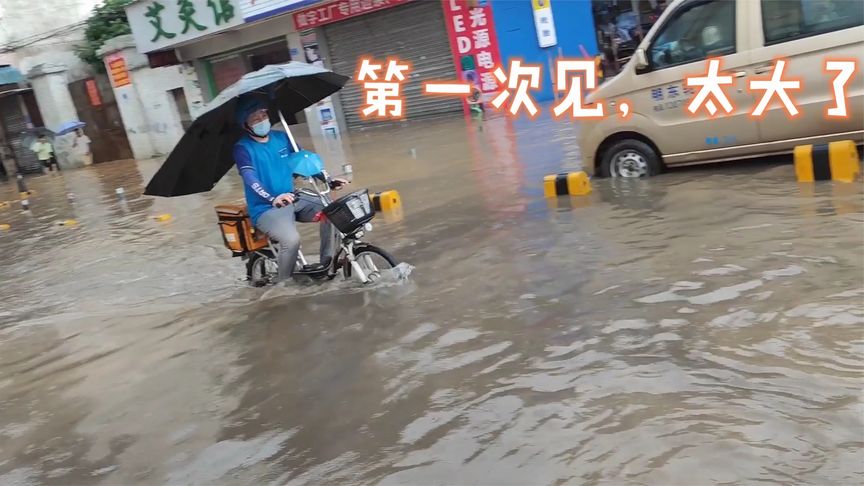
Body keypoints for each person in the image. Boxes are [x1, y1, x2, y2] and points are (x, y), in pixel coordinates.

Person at [233, 97, 346, 283]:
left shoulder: (282, 137)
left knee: (334, 213)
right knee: (291, 241)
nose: (262, 121)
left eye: (263, 116)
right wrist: (272, 198)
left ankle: (327, 264)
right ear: (245, 124)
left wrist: (329, 179)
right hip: (266, 208)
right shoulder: (242, 148)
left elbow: (304, 163)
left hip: (292, 198)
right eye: (255, 119)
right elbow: (250, 178)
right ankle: (284, 284)